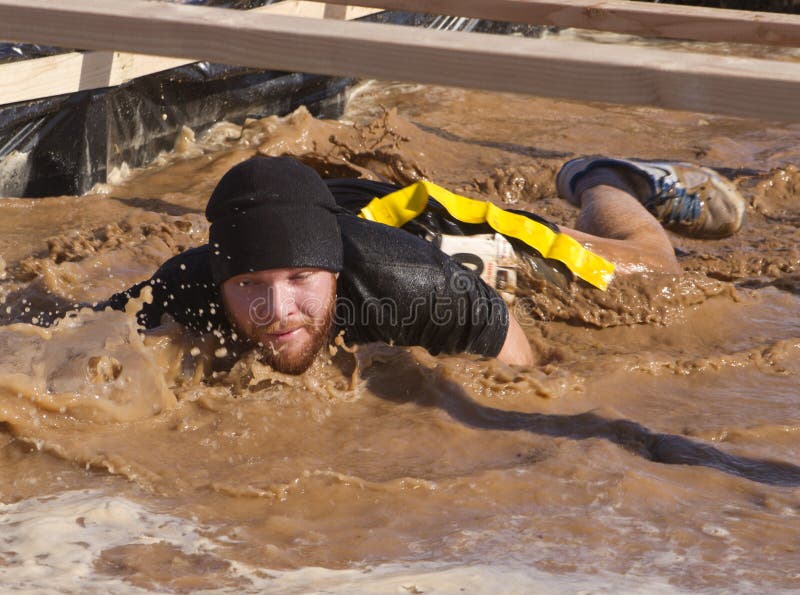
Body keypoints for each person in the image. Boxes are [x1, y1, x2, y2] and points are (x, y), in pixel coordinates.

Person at [97, 155, 745, 374]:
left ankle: (604, 177)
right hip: (320, 213)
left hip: (415, 223)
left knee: (651, 274)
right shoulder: (187, 285)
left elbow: (524, 370)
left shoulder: (419, 283)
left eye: (299, 280)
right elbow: (63, 340)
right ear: (221, 277)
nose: (275, 310)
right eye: (250, 287)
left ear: (330, 272)